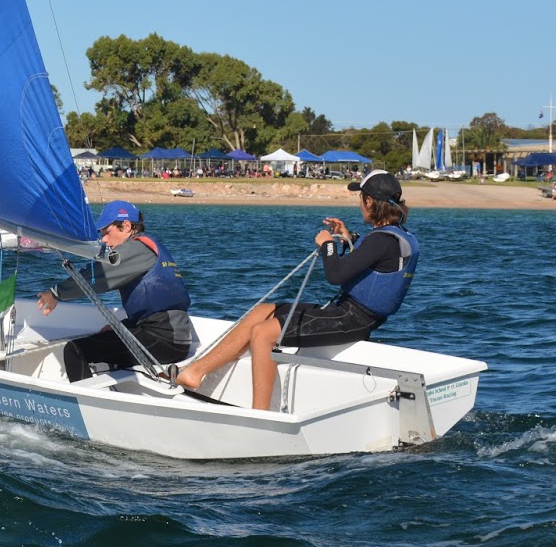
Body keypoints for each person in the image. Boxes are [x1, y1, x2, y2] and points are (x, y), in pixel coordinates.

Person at [172, 169, 419, 409]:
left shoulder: (381, 240)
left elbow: (336, 275)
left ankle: (260, 414)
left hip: (353, 319)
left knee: (262, 333)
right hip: (349, 313)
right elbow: (372, 258)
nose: (359, 204)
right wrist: (347, 237)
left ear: (370, 201)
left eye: (361, 198)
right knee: (263, 311)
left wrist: (328, 246)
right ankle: (195, 372)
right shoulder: (392, 235)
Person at [35, 200, 193, 382]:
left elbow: (96, 277)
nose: (103, 239)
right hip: (171, 336)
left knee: (74, 350)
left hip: (163, 339)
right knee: (107, 333)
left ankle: (87, 406)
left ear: (126, 226)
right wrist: (121, 326)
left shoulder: (136, 249)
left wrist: (56, 293)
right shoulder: (147, 246)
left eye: (107, 232)